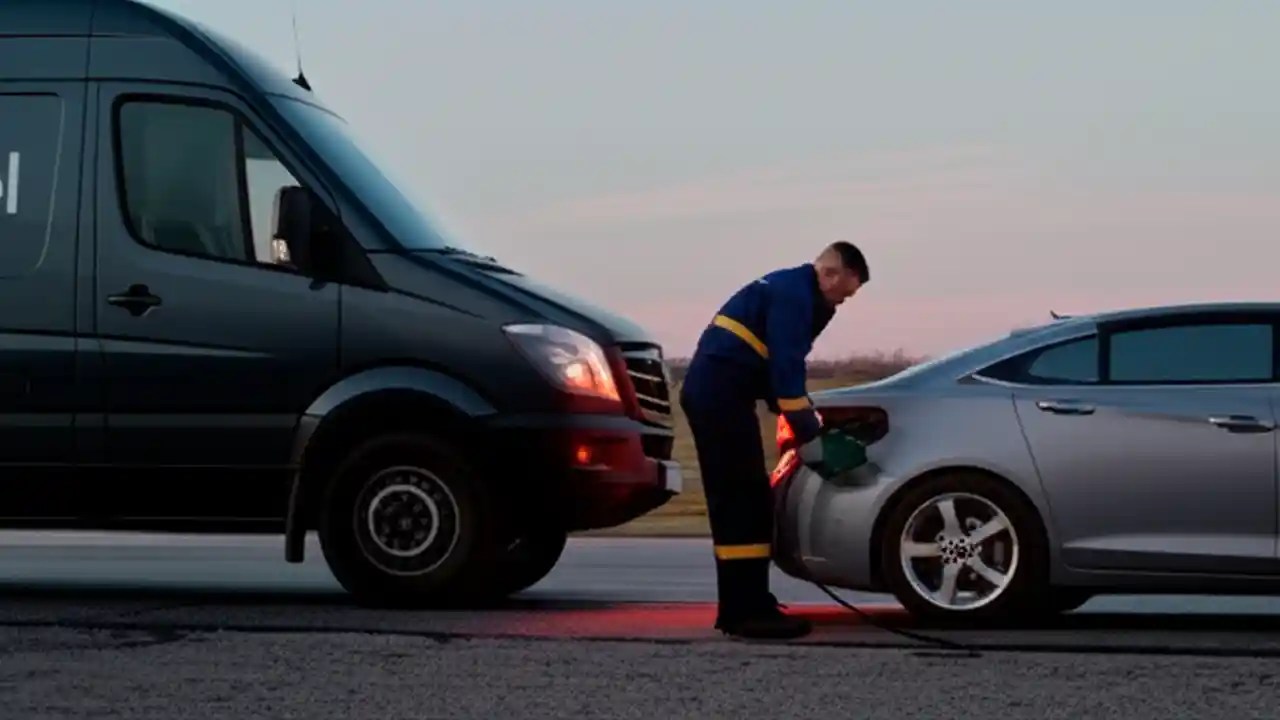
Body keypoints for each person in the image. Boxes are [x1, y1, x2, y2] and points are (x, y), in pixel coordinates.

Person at [679, 241, 869, 639]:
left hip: (725, 394)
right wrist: (812, 438)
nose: (843, 302)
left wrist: (802, 422)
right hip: (719, 397)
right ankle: (742, 612)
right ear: (830, 274)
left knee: (751, 498)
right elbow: (786, 373)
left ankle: (751, 600)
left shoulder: (791, 289)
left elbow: (774, 373)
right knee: (740, 501)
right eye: (844, 293)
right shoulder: (795, 297)